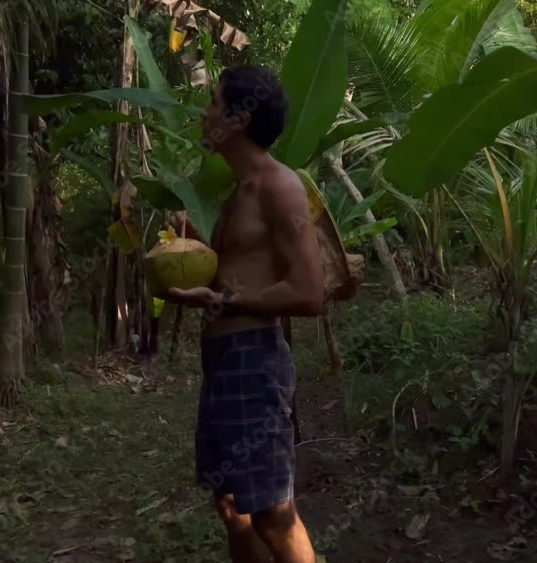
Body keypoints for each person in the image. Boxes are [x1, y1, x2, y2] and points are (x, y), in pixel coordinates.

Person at [165, 65, 323, 563]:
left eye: (212, 102)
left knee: (275, 513)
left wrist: (225, 302)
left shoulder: (279, 186)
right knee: (233, 506)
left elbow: (308, 290)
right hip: (224, 360)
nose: (203, 112)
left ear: (236, 119)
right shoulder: (240, 192)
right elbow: (235, 269)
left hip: (254, 360)